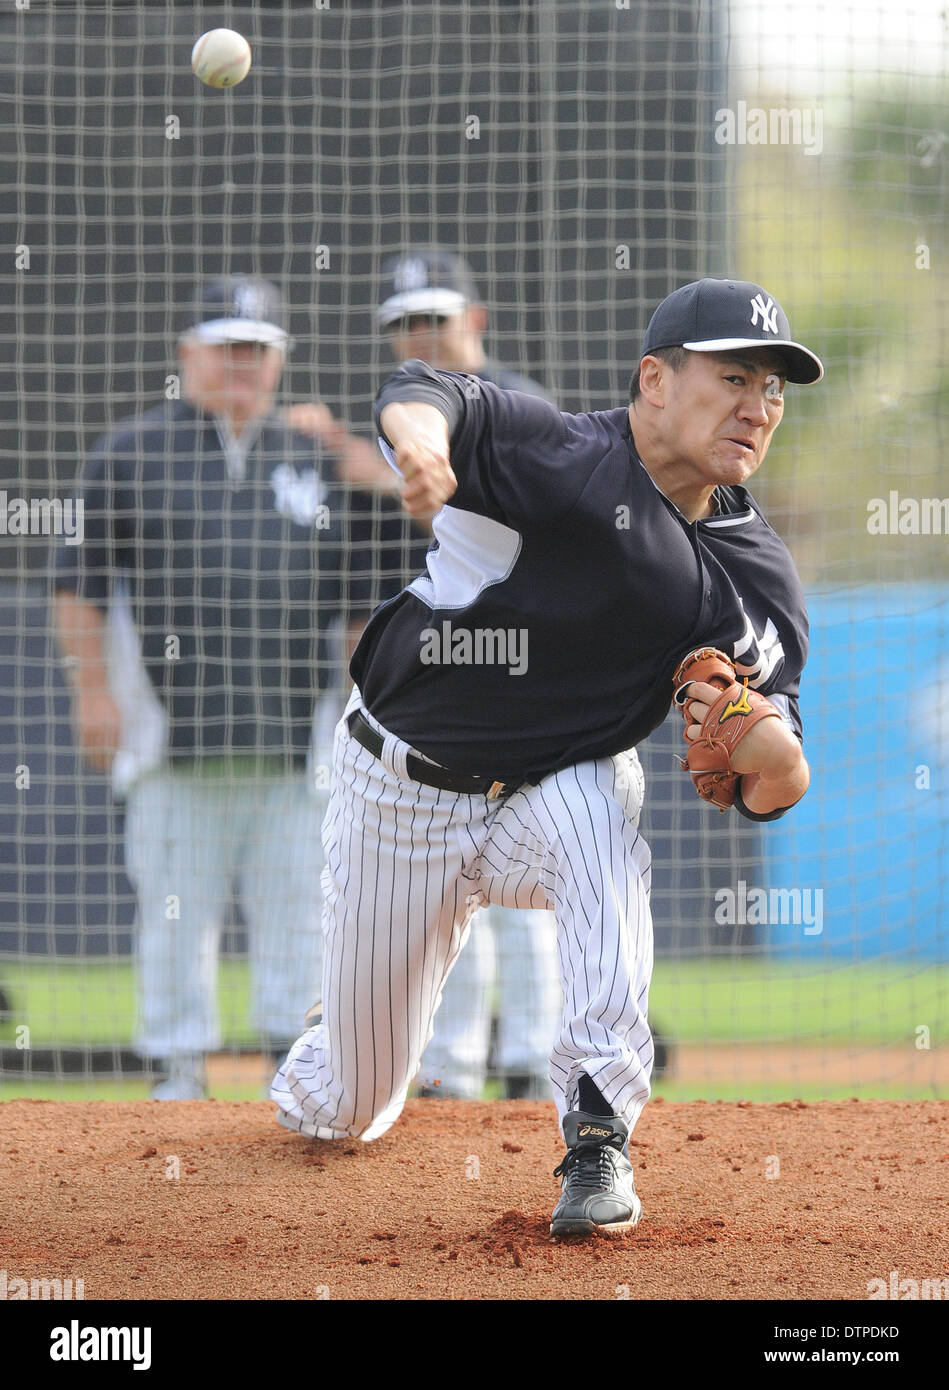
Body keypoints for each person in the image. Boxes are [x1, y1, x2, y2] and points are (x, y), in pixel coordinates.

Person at [271, 277, 822, 1238]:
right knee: (349, 1109)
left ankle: (598, 1132)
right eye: (733, 375)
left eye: (773, 388)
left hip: (554, 788)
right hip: (400, 789)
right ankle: (338, 1046)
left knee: (602, 823)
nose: (756, 406)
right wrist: (422, 450)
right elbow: (422, 386)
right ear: (655, 379)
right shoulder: (557, 452)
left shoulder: (749, 569)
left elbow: (777, 779)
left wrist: (760, 743)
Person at [54, 275, 416, 1100]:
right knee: (174, 916)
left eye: (255, 348)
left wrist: (368, 714)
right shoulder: (130, 451)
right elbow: (78, 585)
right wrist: (92, 692)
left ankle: (292, 1075)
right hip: (169, 743)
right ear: (189, 355)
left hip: (295, 743)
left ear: (280, 359)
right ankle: (176, 1073)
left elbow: (360, 605)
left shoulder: (319, 457)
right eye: (224, 347)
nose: (240, 363)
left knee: (299, 921)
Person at [377, 248, 561, 1101]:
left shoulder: (520, 406)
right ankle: (454, 1068)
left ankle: (530, 1060)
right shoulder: (397, 417)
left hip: (523, 673)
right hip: (439, 682)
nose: (421, 333)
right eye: (406, 323)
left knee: (531, 880)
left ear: (473, 321)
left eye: (434, 317)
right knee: (445, 876)